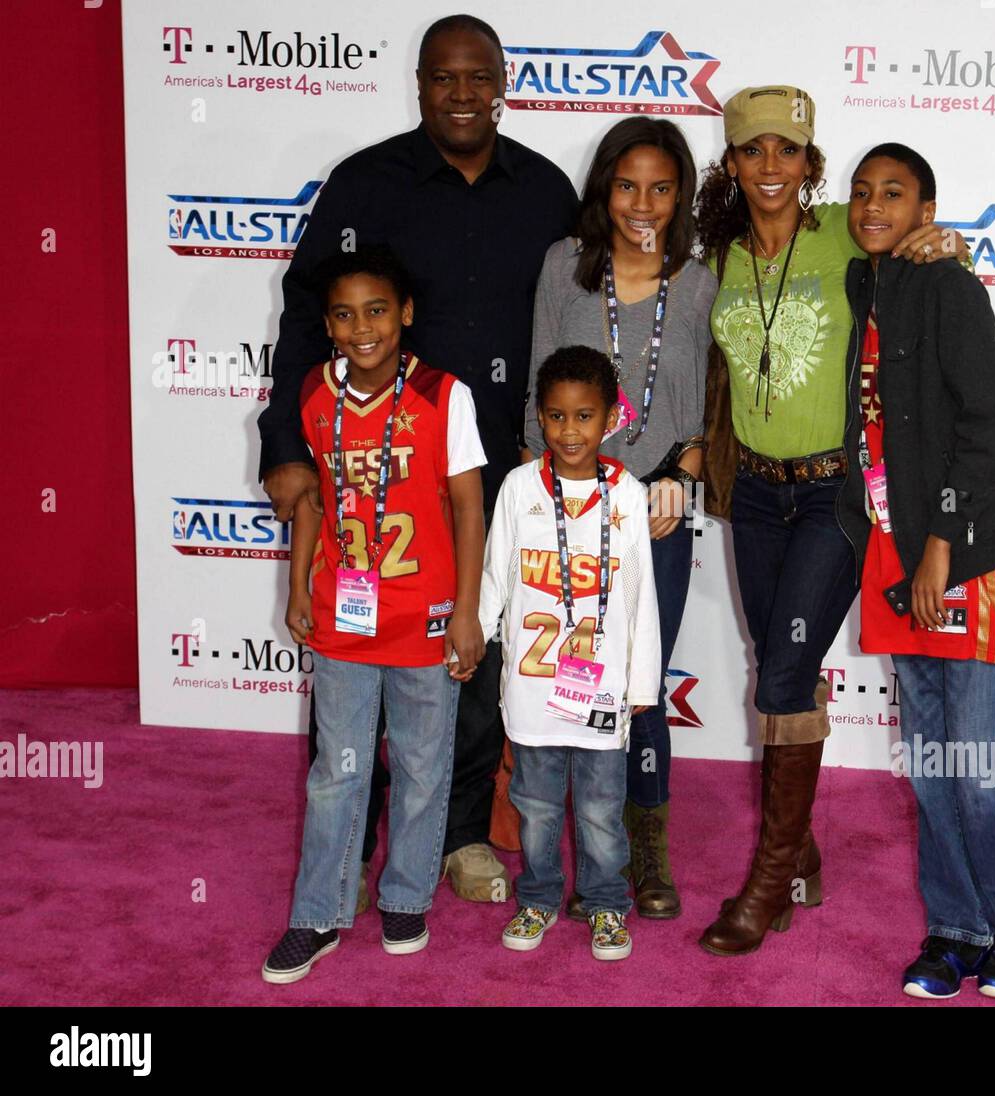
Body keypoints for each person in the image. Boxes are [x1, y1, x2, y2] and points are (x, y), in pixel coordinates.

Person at [257, 14, 578, 903]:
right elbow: (301, 319)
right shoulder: (365, 185)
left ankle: (461, 837)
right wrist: (283, 444)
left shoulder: (547, 190)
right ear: (421, 85)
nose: (464, 94)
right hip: (366, 482)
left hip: (492, 475)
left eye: (480, 78)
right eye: (446, 78)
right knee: (353, 673)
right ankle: (352, 849)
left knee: (466, 662)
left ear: (504, 82)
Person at [695, 86, 966, 956]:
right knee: (780, 668)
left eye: (787, 151)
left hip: (833, 495)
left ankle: (770, 879)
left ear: (811, 166)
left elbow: (913, 246)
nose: (769, 167)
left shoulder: (844, 234)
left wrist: (944, 241)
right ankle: (802, 849)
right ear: (731, 164)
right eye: (751, 151)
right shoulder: (719, 255)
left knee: (780, 678)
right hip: (754, 494)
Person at [847, 143, 995, 998]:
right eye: (861, 194)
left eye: (894, 194)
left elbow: (991, 417)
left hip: (968, 555)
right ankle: (955, 927)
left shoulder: (948, 285)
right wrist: (911, 547)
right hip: (894, 551)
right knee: (929, 762)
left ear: (928, 212)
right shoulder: (867, 285)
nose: (873, 206)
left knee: (975, 760)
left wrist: (943, 543)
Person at [262, 247, 486, 984]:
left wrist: (467, 612)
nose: (363, 328)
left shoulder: (443, 395)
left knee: (423, 767)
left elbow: (465, 507)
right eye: (345, 314)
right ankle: (319, 912)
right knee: (338, 771)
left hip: (424, 616)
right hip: (344, 617)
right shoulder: (313, 393)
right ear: (327, 324)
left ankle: (406, 895)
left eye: (378, 310)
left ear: (406, 314)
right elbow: (314, 504)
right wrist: (297, 588)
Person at [523, 117, 715, 919]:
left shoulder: (703, 280)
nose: (643, 204)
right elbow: (536, 398)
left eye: (662, 188)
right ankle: (559, 854)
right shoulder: (564, 267)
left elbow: (709, 412)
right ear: (604, 188)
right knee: (557, 683)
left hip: (655, 520)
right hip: (565, 513)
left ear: (682, 196)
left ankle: (647, 850)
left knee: (639, 687)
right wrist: (546, 502)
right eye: (627, 185)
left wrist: (685, 471)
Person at [480, 347, 660, 961]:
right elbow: (495, 575)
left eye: (584, 416)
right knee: (533, 804)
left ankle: (607, 905)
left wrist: (641, 684)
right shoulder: (517, 487)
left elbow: (640, 598)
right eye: (556, 417)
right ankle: (538, 896)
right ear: (539, 417)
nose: (569, 431)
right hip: (532, 687)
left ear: (609, 417)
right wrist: (475, 633)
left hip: (603, 688)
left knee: (602, 809)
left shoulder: (628, 495)